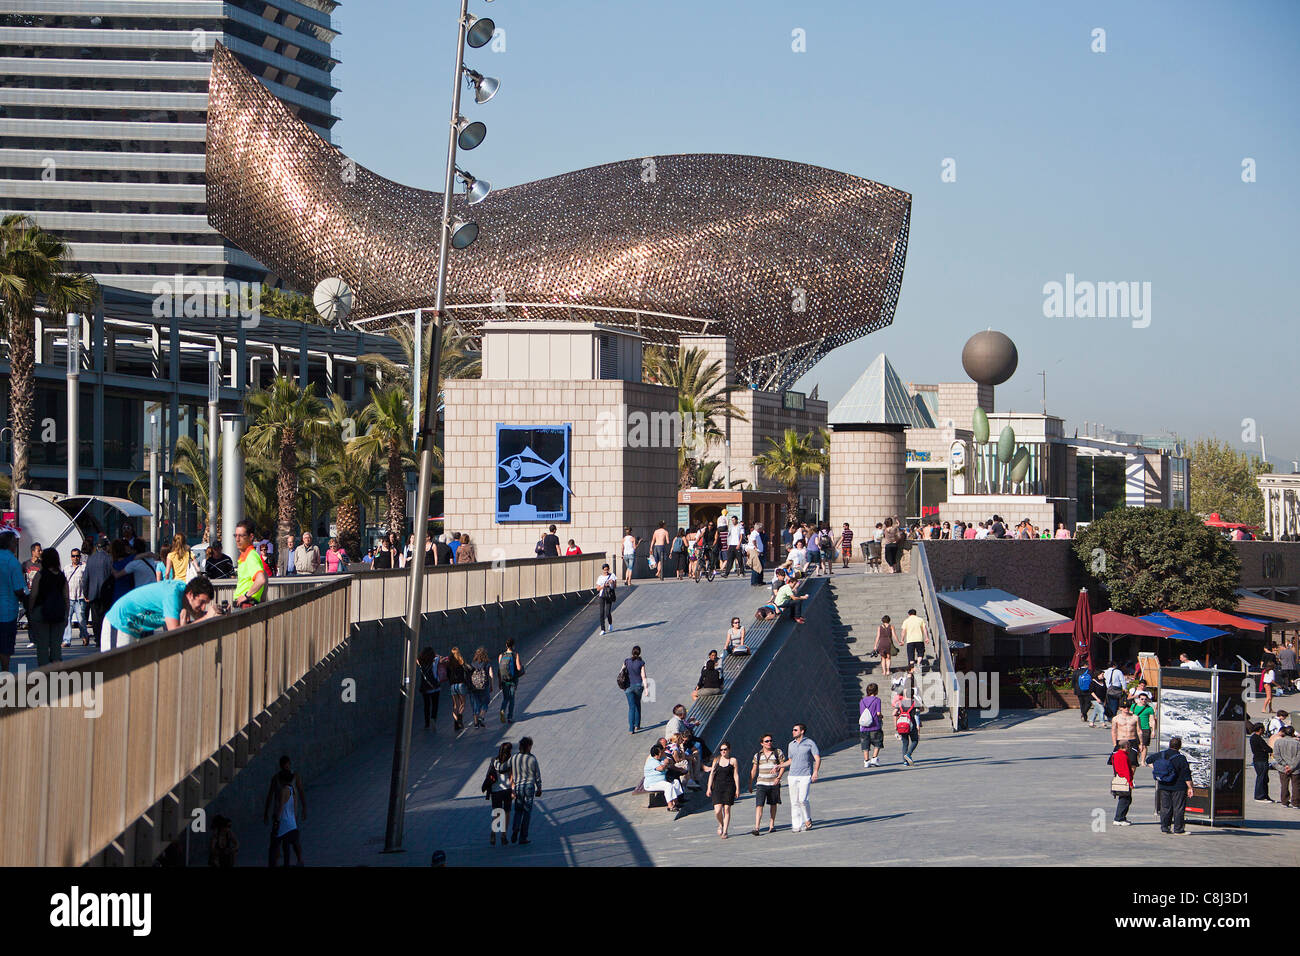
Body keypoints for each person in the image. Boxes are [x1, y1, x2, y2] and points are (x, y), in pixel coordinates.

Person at [102, 575, 218, 648]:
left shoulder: (184, 592)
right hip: (120, 622)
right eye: (202, 602)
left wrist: (216, 615)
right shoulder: (173, 596)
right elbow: (174, 632)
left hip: (134, 628)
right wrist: (206, 617)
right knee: (113, 672)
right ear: (191, 594)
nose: (203, 608)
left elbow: (198, 616)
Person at [27, 548, 69, 666]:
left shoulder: (40, 575)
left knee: (42, 646)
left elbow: (33, 595)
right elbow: (66, 596)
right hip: (59, 613)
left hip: (41, 612)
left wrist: (30, 610)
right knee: (56, 647)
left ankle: (44, 674)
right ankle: (56, 674)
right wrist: (67, 614)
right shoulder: (61, 576)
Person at [1145, 736, 1194, 834]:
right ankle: (1178, 829)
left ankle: (1165, 828)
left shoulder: (1161, 754)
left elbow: (1148, 760)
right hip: (1178, 787)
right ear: (1179, 747)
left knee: (1165, 807)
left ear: (1169, 745)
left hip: (1163, 785)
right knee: (1178, 808)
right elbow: (1186, 775)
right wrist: (1190, 787)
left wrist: (1156, 768)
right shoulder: (1181, 758)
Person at [264, 756, 306, 866]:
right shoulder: (276, 779)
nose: (286, 766)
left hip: (286, 816)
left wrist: (303, 808)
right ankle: (280, 860)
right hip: (285, 816)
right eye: (284, 765)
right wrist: (267, 812)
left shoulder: (293, 778)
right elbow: (270, 795)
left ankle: (298, 859)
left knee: (286, 842)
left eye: (287, 764)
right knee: (283, 843)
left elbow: (300, 792)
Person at [779, 723, 820, 832]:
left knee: (803, 799)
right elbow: (790, 760)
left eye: (795, 730)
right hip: (792, 775)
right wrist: (779, 765)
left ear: (802, 731)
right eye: (793, 730)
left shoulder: (810, 743)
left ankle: (807, 819)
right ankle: (797, 825)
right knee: (794, 801)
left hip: (805, 775)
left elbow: (817, 758)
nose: (793, 731)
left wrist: (815, 772)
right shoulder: (791, 744)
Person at [507, 736, 542, 844]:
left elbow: (508, 769)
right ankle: (523, 837)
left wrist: (511, 783)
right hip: (529, 787)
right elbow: (537, 774)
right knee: (527, 811)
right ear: (528, 746)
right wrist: (539, 787)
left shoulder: (514, 758)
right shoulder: (532, 758)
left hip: (518, 787)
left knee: (518, 810)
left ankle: (515, 828)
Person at [750, 733, 785, 835]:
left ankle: (772, 825)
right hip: (761, 783)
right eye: (766, 741)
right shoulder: (758, 755)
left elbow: (782, 765)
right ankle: (757, 827)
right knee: (759, 805)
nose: (769, 743)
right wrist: (750, 783)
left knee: (773, 804)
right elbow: (754, 769)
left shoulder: (777, 752)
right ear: (762, 743)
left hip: (774, 783)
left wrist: (779, 777)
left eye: (770, 741)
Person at [0, 532, 24, 674]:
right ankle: (5, 674)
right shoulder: (13, 562)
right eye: (15, 542)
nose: (16, 545)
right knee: (5, 647)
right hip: (7, 611)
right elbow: (18, 589)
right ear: (10, 544)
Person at [706, 740, 739, 838]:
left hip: (729, 787)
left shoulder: (733, 760)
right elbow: (712, 774)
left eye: (725, 749)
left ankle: (725, 832)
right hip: (717, 787)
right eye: (721, 750)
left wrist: (737, 789)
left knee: (727, 809)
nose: (723, 751)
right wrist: (708, 788)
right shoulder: (716, 760)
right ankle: (721, 823)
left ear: (729, 750)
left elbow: (736, 775)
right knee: (717, 811)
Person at [232, 520, 268, 607]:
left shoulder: (251, 555)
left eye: (241, 536)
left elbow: (261, 579)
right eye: (235, 535)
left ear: (251, 536)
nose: (237, 539)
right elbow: (265, 577)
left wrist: (246, 596)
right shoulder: (246, 555)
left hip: (246, 604)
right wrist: (262, 600)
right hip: (246, 603)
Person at [62, 544, 90, 647]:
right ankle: (66, 640)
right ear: (71, 557)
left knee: (81, 619)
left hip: (80, 598)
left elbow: (87, 581)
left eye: (77, 556)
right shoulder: (66, 568)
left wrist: (87, 594)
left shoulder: (84, 567)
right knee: (67, 619)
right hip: (69, 598)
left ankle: (84, 636)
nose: (75, 558)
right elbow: (63, 582)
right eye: (73, 556)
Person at [643, 743, 684, 812]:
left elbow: (670, 762)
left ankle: (676, 802)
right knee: (668, 786)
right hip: (652, 784)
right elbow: (661, 768)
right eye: (661, 752)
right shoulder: (651, 761)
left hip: (662, 781)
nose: (663, 753)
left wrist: (668, 761)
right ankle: (670, 805)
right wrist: (665, 763)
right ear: (657, 754)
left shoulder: (661, 758)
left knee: (676, 782)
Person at [487, 742, 513, 846]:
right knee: (506, 813)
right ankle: (503, 835)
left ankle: (493, 834)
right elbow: (511, 776)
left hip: (495, 790)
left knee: (497, 812)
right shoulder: (510, 762)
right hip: (506, 789)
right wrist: (514, 790)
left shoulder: (494, 761)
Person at [1108, 741, 1134, 826]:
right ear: (1126, 746)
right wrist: (1130, 782)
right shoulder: (1123, 756)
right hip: (1124, 780)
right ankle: (1119, 818)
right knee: (1125, 800)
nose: (1130, 748)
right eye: (1129, 746)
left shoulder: (1115, 755)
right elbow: (1126, 770)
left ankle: (1122, 817)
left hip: (1119, 778)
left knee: (1124, 799)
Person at [894, 683, 921, 766]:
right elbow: (921, 708)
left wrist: (896, 722)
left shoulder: (900, 703)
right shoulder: (914, 702)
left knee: (905, 742)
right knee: (915, 740)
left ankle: (905, 761)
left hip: (902, 724)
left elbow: (894, 713)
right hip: (911, 723)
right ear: (913, 694)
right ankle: (908, 754)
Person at [623, 645, 647, 733]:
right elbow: (643, 676)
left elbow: (621, 672)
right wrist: (647, 689)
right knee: (637, 705)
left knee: (631, 707)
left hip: (628, 687)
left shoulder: (626, 661)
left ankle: (631, 728)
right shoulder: (641, 663)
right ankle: (637, 725)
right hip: (638, 686)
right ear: (639, 653)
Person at [859, 682, 884, 768]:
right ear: (876, 691)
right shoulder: (877, 700)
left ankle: (866, 761)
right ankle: (874, 758)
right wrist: (881, 716)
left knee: (865, 744)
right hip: (874, 725)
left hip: (864, 726)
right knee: (878, 742)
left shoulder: (862, 701)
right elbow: (878, 713)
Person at [468, 646, 494, 728]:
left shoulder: (472, 664)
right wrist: (491, 686)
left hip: (474, 687)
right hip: (484, 686)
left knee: (475, 704)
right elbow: (491, 675)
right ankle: (481, 717)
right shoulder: (487, 664)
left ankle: (476, 723)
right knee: (485, 703)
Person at [498, 637, 522, 723]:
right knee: (511, 698)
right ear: (513, 645)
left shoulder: (501, 655)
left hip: (504, 680)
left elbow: (499, 670)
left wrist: (499, 682)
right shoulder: (515, 654)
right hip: (513, 680)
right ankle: (510, 717)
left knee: (505, 698)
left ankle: (502, 710)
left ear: (506, 645)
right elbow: (519, 668)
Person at [417, 647, 442, 730]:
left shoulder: (420, 662)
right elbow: (439, 657)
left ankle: (426, 723)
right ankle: (433, 718)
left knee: (426, 705)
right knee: (435, 704)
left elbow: (417, 659)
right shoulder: (435, 660)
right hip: (435, 686)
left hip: (425, 687)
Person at [1275, 726, 1300, 809]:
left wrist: (1285, 765)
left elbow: (1277, 755)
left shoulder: (1278, 742)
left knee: (1284, 785)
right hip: (1295, 768)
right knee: (1296, 786)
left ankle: (1284, 801)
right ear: (1293, 733)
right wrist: (1292, 767)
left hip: (1283, 768)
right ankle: (1295, 802)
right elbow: (1298, 757)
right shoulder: (1297, 743)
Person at [446, 646, 470, 732]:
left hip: (453, 685)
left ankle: (456, 722)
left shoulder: (448, 663)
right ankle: (459, 718)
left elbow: (448, 675)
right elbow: (467, 671)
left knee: (455, 705)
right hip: (461, 684)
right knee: (462, 704)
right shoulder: (461, 661)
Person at [1249, 723, 1273, 802]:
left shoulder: (1253, 737)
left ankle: (1265, 795)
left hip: (1258, 759)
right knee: (1261, 778)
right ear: (1260, 729)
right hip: (1261, 760)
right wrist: (1268, 750)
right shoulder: (1257, 738)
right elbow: (1266, 748)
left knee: (1264, 778)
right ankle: (1259, 795)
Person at [1131, 692, 1156, 760]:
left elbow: (1152, 720)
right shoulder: (1134, 706)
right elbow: (1130, 716)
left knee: (1144, 745)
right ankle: (1135, 760)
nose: (1144, 701)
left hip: (1145, 728)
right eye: (1142, 699)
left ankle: (1142, 761)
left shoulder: (1149, 708)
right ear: (1139, 699)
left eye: (1145, 699)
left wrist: (1153, 730)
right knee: (1135, 745)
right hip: (1135, 728)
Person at [596, 562, 617, 634]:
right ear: (602, 570)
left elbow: (614, 587)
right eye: (605, 570)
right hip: (602, 595)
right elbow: (597, 589)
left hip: (609, 595)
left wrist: (612, 583)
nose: (606, 571)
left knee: (607, 612)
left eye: (607, 569)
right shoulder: (600, 577)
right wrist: (604, 585)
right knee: (601, 613)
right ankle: (603, 629)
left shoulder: (612, 575)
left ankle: (610, 624)